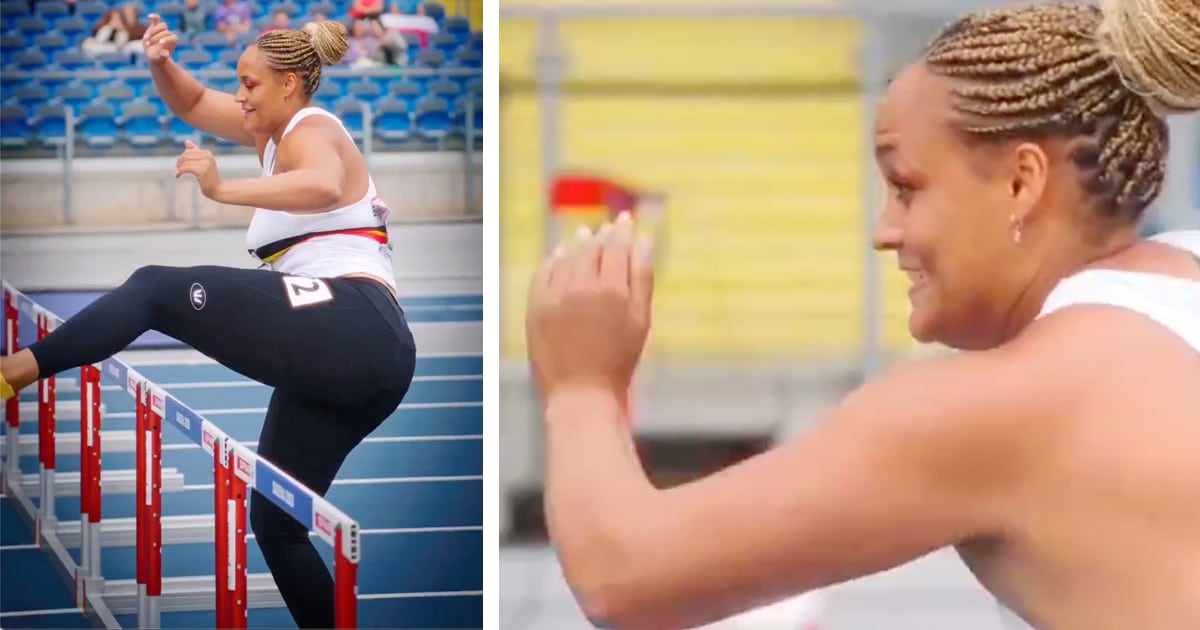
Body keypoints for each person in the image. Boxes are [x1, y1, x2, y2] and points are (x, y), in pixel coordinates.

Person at [523, 1, 1200, 629]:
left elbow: (626, 573)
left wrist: (583, 387)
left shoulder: (995, 409)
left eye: (906, 186)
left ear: (1022, 182)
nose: (884, 231)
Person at [0, 14, 416, 630]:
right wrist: (160, 63)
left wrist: (223, 191)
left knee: (154, 290)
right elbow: (193, 101)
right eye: (238, 84)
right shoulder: (269, 130)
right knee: (277, 523)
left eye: (249, 84)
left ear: (291, 85)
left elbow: (327, 186)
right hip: (353, 356)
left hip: (357, 319)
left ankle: (12, 373)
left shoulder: (313, 129)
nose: (240, 96)